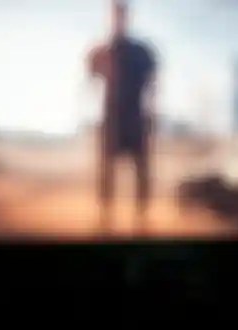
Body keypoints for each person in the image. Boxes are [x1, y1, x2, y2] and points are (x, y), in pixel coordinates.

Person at [89, 1, 158, 231]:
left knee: (141, 170)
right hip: (112, 118)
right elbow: (90, 80)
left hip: (136, 116)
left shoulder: (141, 52)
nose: (118, 18)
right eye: (115, 14)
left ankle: (141, 220)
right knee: (107, 171)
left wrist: (152, 113)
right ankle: (105, 219)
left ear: (127, 17)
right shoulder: (103, 50)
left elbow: (154, 83)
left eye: (122, 14)